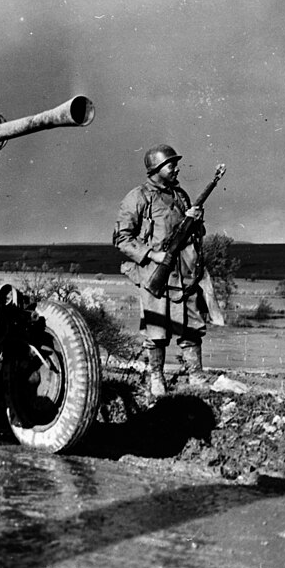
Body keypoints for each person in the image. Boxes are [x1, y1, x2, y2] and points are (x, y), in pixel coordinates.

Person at [114, 144, 209, 397]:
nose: (177, 168)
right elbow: (122, 238)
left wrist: (196, 220)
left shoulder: (181, 196)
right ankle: (157, 378)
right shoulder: (137, 197)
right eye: (171, 165)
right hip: (155, 275)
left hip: (184, 273)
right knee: (157, 330)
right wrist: (152, 254)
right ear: (156, 168)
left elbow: (194, 235)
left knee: (191, 325)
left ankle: (196, 375)